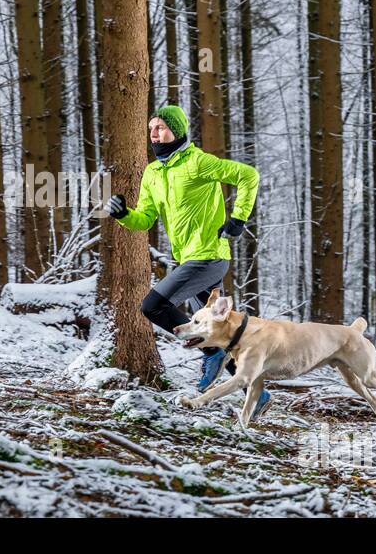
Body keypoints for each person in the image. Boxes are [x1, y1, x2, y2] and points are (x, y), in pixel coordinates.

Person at [104, 104, 270, 417]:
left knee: (152, 306)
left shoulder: (197, 162)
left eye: (162, 127)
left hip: (208, 257)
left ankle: (209, 350)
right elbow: (146, 218)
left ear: (177, 131)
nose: (155, 132)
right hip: (188, 260)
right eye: (151, 127)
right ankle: (257, 396)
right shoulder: (153, 172)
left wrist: (239, 218)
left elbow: (248, 175)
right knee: (221, 333)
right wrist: (124, 214)